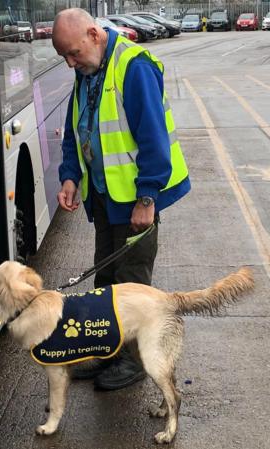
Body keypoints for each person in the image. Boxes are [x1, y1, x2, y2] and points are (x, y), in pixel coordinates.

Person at [51, 8, 191, 390]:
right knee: (107, 280)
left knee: (132, 285)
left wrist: (147, 198)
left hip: (134, 202)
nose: (70, 62)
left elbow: (154, 140)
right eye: (64, 56)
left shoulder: (134, 67)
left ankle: (132, 361)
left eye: (73, 53)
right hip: (106, 199)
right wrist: (70, 177)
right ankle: (107, 350)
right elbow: (76, 130)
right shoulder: (88, 72)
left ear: (94, 35)